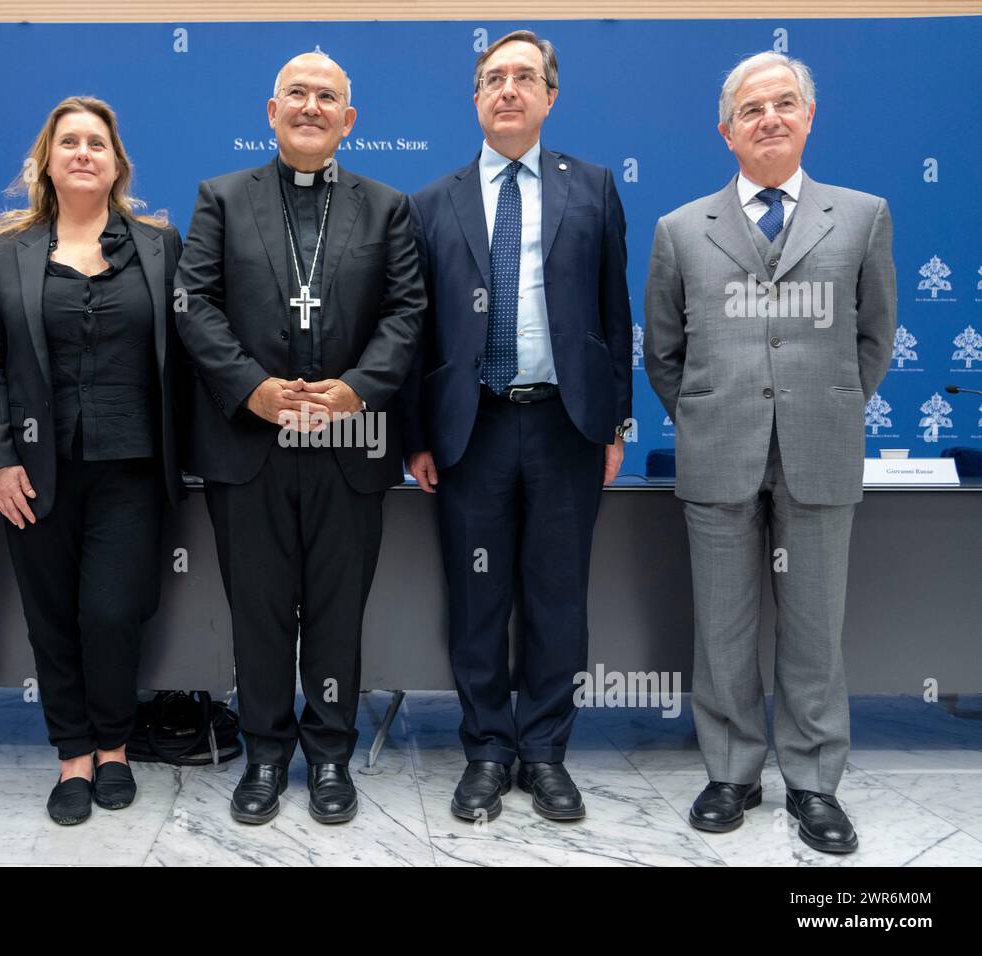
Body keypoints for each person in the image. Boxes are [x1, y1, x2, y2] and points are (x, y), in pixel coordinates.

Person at [643, 52, 896, 853]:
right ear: (727, 130)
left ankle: (815, 784)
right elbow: (663, 352)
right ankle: (732, 772)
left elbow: (874, 335)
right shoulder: (682, 229)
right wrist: (704, 416)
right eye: (752, 110)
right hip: (719, 451)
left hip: (819, 448)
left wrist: (825, 404)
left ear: (809, 116)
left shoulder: (861, 215)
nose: (770, 119)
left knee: (816, 628)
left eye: (785, 104)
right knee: (721, 625)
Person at [175, 51, 425, 825]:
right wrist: (253, 388)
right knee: (257, 613)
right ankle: (264, 755)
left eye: (328, 98)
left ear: (349, 120)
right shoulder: (220, 198)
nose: (311, 107)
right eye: (297, 95)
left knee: (334, 614)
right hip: (249, 450)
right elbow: (193, 302)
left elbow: (407, 312)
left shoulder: (387, 207)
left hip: (348, 447)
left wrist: (355, 390)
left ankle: (328, 758)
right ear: (271, 111)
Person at [401, 31, 632, 824]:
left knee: (557, 596)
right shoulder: (432, 202)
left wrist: (615, 421)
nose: (508, 89)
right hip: (474, 428)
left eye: (524, 77)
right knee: (477, 597)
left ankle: (544, 752)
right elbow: (419, 330)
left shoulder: (593, 188)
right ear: (475, 98)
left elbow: (615, 314)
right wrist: (417, 435)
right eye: (493, 78)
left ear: (550, 96)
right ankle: (487, 752)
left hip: (567, 424)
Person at [0, 96, 186, 826]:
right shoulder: (6, 252)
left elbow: (187, 354)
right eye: (70, 142)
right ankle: (72, 757)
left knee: (112, 612)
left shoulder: (160, 245)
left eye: (98, 141)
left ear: (118, 162)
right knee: (52, 617)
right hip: (34, 472)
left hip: (133, 468)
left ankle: (115, 746)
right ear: (47, 161)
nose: (84, 152)